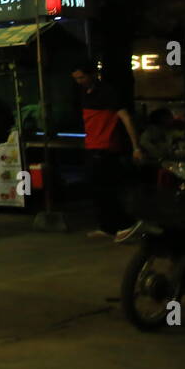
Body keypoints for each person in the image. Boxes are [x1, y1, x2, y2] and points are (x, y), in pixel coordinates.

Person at [71, 62, 144, 243]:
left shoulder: (108, 92)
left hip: (105, 146)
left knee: (108, 188)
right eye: (76, 78)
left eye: (82, 77)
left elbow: (125, 117)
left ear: (93, 74)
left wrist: (136, 147)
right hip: (92, 145)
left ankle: (125, 225)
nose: (80, 81)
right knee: (97, 190)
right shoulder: (84, 93)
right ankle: (108, 227)